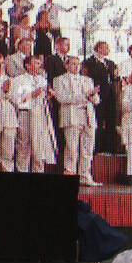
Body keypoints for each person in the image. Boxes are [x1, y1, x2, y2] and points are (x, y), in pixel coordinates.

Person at [52, 55, 101, 185]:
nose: (76, 66)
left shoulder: (88, 80)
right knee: (72, 148)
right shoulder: (59, 80)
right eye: (73, 64)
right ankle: (70, 174)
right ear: (66, 65)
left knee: (87, 148)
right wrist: (85, 96)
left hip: (88, 115)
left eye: (78, 64)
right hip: (72, 116)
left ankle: (85, 175)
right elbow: (62, 98)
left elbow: (96, 100)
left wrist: (93, 96)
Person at [8, 56, 56, 173]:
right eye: (35, 63)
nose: (39, 66)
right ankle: (22, 171)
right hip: (26, 114)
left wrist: (48, 95)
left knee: (40, 146)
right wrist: (33, 94)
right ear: (28, 65)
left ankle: (38, 171)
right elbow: (17, 100)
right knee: (24, 145)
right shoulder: (19, 79)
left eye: (39, 63)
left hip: (40, 115)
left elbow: (43, 99)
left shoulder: (42, 79)